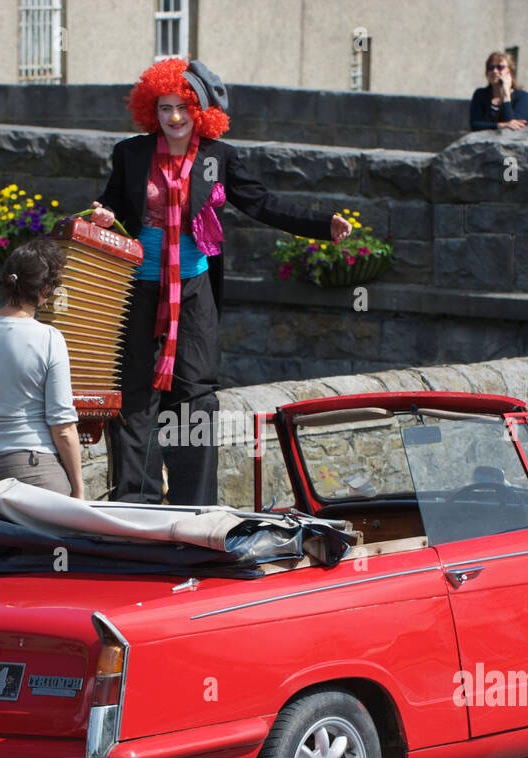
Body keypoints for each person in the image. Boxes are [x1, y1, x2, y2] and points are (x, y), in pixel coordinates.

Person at [89, 58, 352, 506]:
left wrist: (321, 224)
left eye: (183, 108)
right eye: (166, 107)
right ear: (152, 109)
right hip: (139, 290)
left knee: (194, 398)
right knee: (135, 399)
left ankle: (194, 506)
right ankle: (137, 505)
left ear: (201, 111)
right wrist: (104, 213)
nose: (174, 117)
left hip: (194, 293)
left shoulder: (218, 158)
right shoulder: (131, 154)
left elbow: (263, 204)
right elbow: (112, 201)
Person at [0, 239, 84, 541]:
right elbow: (62, 427)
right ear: (45, 290)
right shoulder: (50, 338)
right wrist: (78, 487)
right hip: (36, 470)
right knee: (44, 574)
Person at [469, 51, 528, 131]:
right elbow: (475, 125)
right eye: (491, 68)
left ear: (510, 71)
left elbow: (515, 128)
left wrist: (506, 95)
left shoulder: (523, 97)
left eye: (500, 67)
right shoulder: (480, 94)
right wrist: (501, 125)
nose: (494, 71)